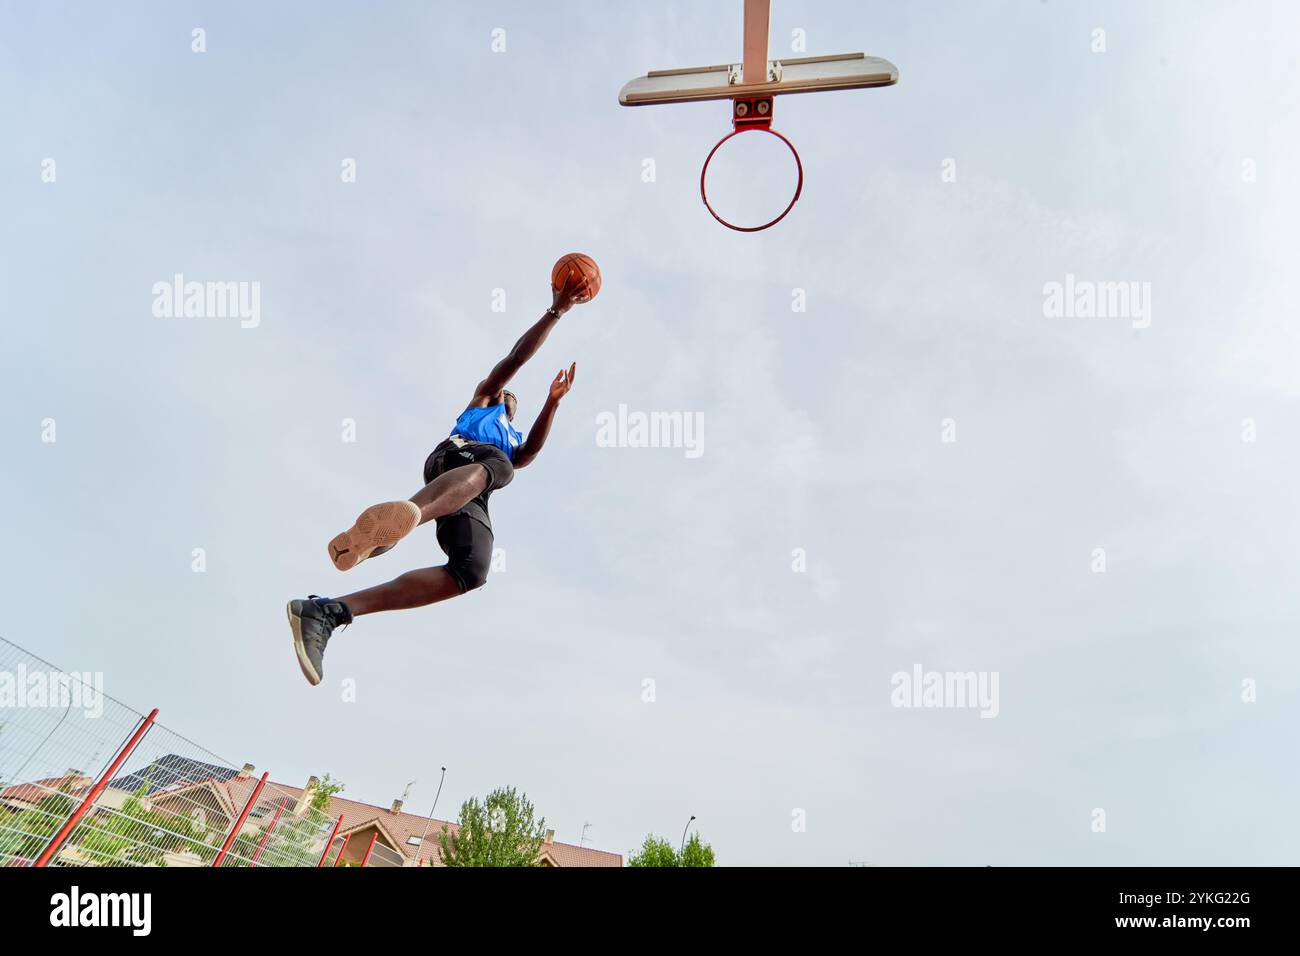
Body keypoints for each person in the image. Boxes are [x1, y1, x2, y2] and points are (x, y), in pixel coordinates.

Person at [286, 281, 585, 685]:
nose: (510, 396)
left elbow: (530, 451)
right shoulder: (484, 400)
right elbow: (516, 357)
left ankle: (328, 610)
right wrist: (556, 312)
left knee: (472, 570)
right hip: (456, 456)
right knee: (500, 467)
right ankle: (407, 520)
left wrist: (552, 401)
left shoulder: (513, 441)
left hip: (474, 485)